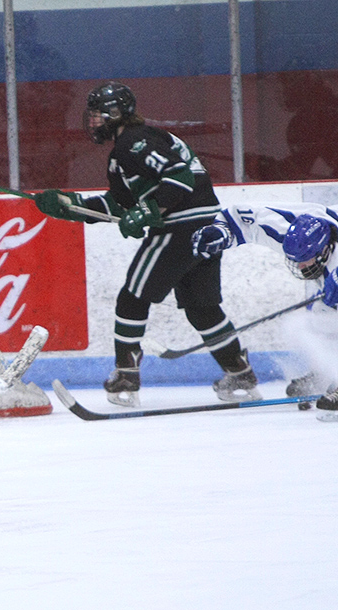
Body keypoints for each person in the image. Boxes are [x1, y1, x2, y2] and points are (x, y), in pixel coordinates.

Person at [33, 81, 258, 407]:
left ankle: (126, 374)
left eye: (97, 115)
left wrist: (152, 210)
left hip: (180, 227)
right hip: (208, 225)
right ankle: (240, 373)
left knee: (132, 298)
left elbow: (179, 175)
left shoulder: (134, 143)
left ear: (115, 113)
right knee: (202, 308)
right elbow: (121, 205)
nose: (92, 122)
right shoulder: (126, 150)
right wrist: (72, 206)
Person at [192, 203, 338, 411]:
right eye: (297, 261)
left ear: (326, 249)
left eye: (305, 261)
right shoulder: (282, 229)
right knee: (316, 315)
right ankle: (325, 372)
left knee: (329, 313)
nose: (299, 267)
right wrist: (221, 230)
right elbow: (241, 217)